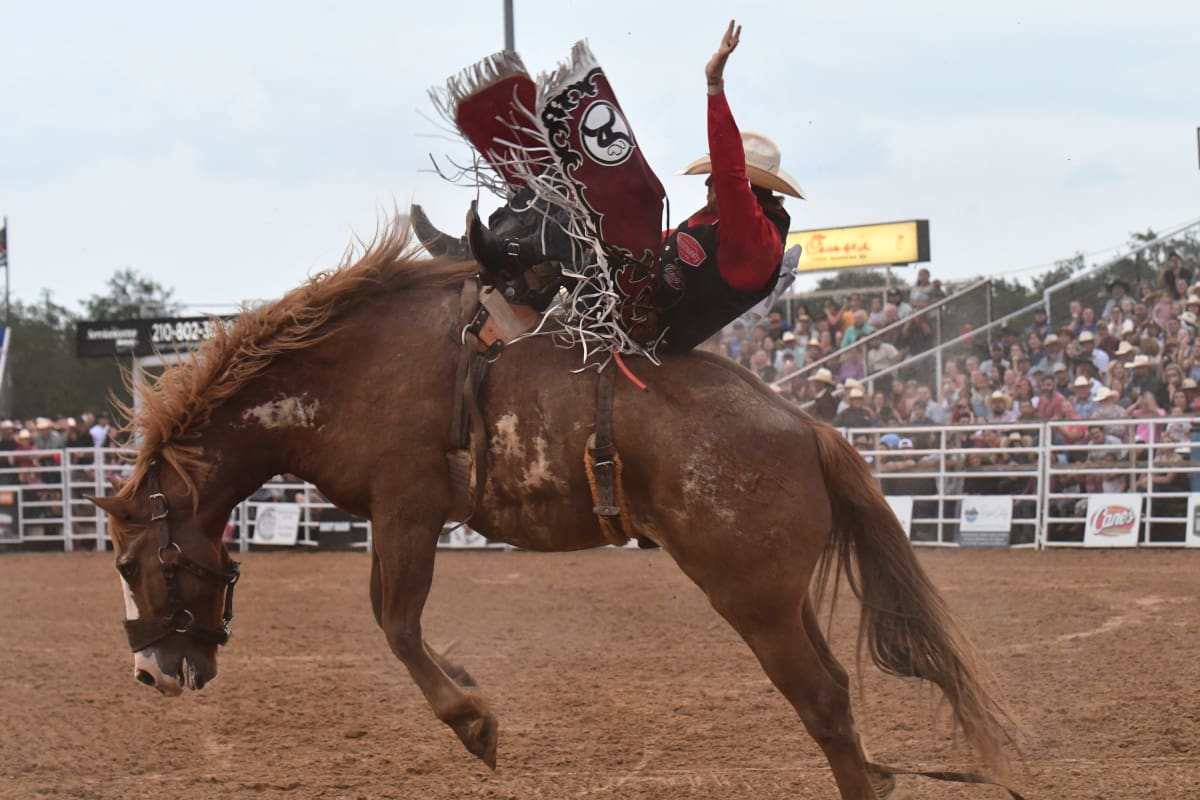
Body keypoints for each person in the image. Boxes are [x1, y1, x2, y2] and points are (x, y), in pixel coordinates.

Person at [466, 21, 801, 355]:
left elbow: (730, 173)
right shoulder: (734, 232)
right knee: (580, 206)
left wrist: (714, 85)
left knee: (581, 218)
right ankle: (508, 258)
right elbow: (671, 242)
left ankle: (504, 254)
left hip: (643, 320)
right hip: (640, 302)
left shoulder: (755, 239)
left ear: (747, 189)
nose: (708, 182)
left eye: (714, 178)